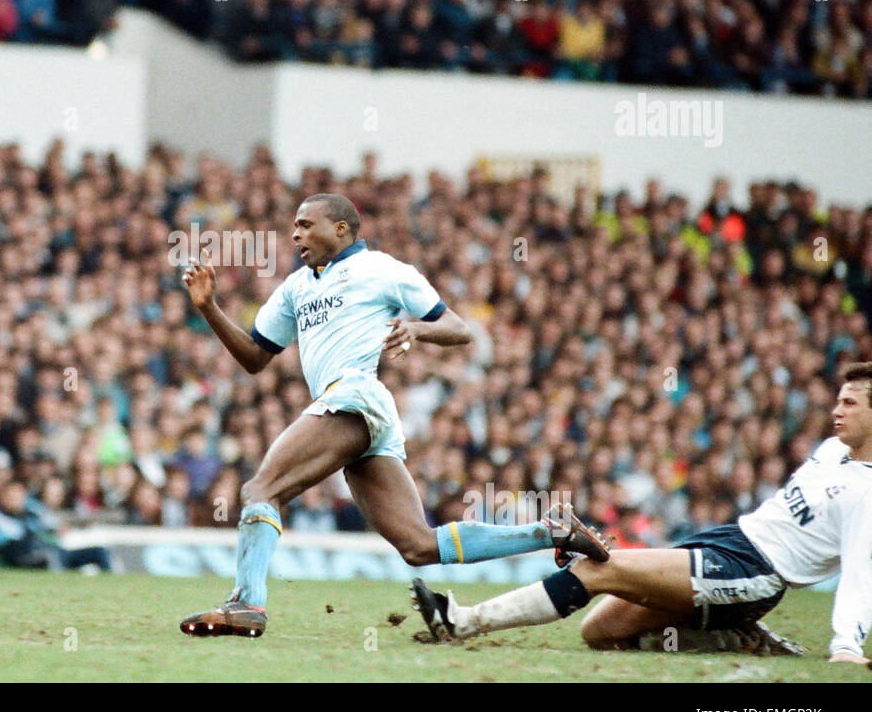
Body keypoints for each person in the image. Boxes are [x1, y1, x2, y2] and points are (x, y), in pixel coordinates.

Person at [178, 194, 608, 637]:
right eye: (294, 226)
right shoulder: (295, 288)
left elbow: (458, 328)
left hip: (355, 397)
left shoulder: (382, 270)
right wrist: (209, 307)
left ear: (342, 227)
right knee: (418, 546)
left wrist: (417, 328)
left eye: (306, 224)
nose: (295, 234)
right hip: (359, 412)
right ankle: (551, 532)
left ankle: (247, 602)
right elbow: (254, 357)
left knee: (261, 489)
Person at [410, 362, 872, 665]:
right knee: (600, 632)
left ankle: (462, 622)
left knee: (596, 568)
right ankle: (737, 635)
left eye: (849, 403)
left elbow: (860, 573)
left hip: (755, 571)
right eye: (837, 400)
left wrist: (846, 646)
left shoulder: (866, 493)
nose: (836, 411)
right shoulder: (832, 450)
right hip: (729, 540)